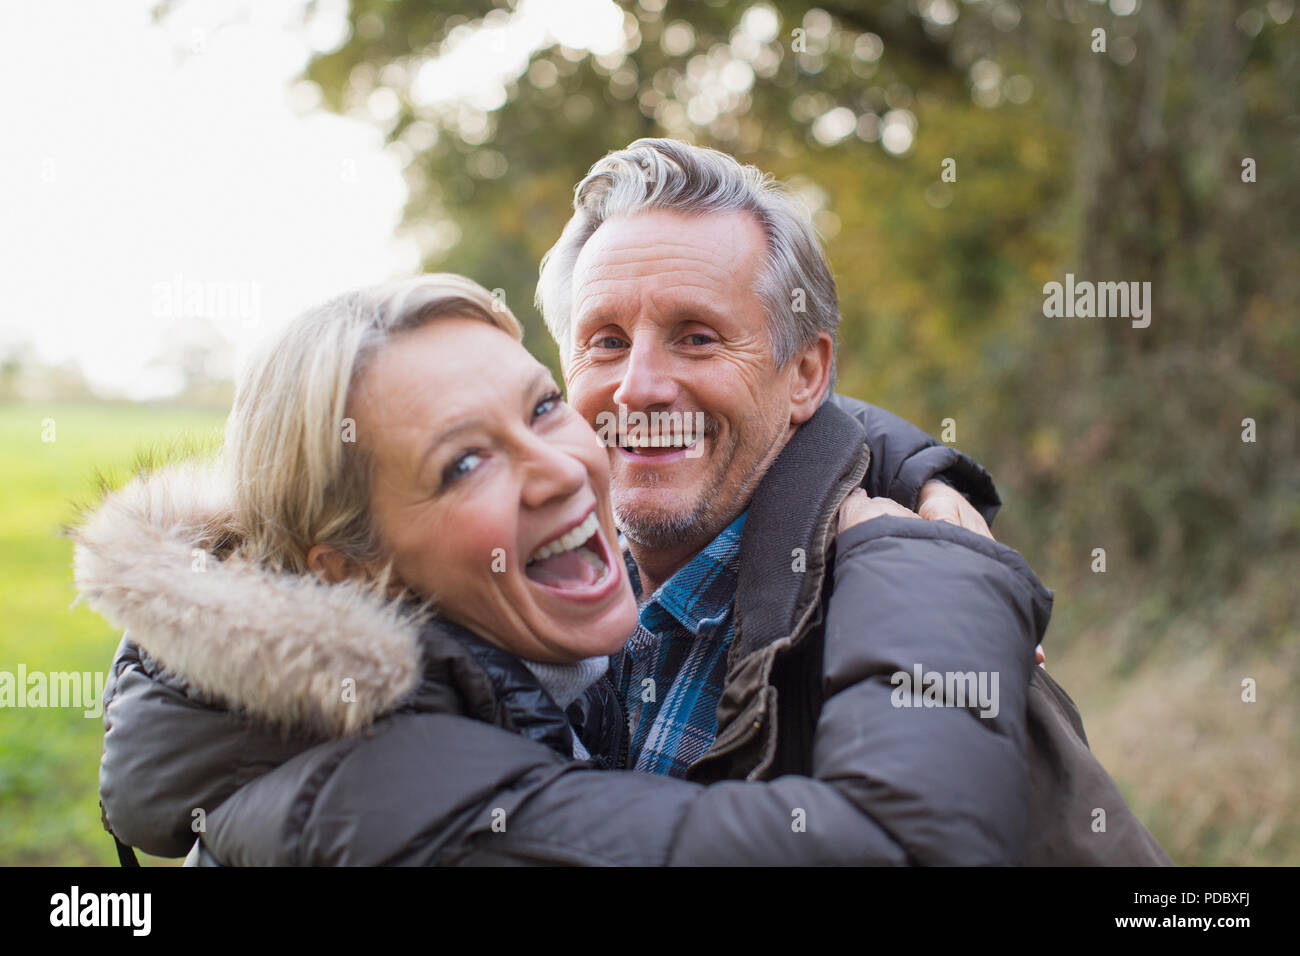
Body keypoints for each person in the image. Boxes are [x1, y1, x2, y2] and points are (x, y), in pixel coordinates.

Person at [76, 274, 1052, 865]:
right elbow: (903, 846)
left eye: (541, 407)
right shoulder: (379, 791)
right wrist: (928, 562)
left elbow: (716, 408)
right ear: (351, 568)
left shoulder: (485, 643)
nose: (565, 462)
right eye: (463, 462)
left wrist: (899, 462)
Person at [534, 138, 1169, 863]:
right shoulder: (531, 609)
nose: (637, 386)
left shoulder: (915, 625)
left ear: (806, 373)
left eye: (698, 337)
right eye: (606, 342)